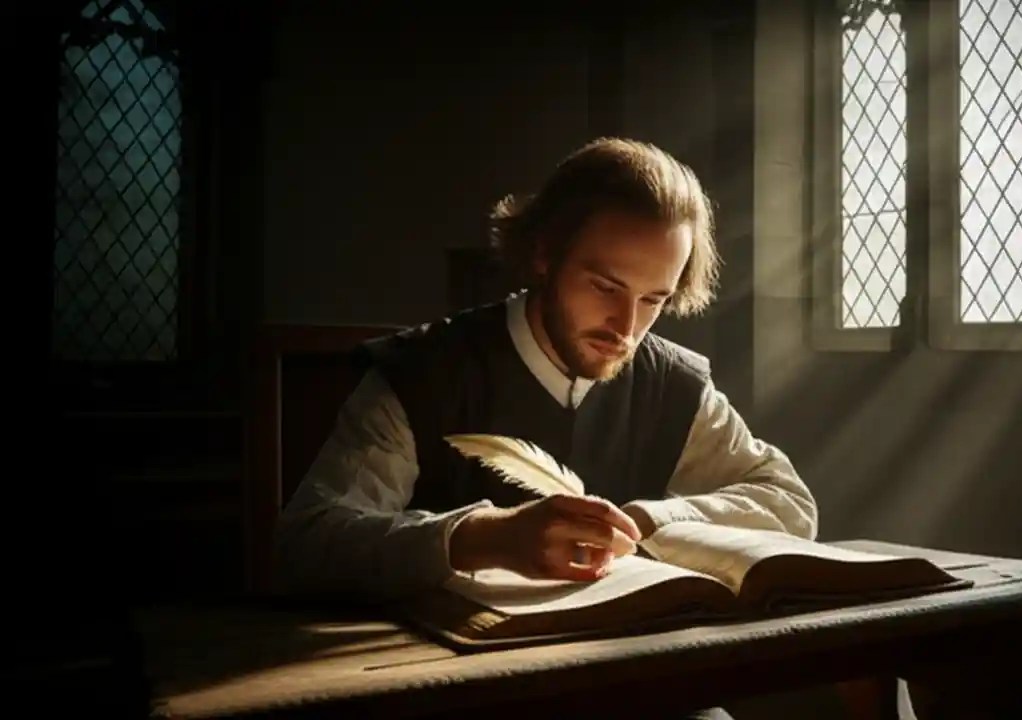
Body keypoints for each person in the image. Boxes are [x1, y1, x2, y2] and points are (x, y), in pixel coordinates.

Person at [271, 137, 819, 718]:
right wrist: (479, 538)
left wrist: (648, 519)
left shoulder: (674, 384)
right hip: (454, 693)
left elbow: (789, 503)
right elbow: (307, 543)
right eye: (605, 287)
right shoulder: (425, 374)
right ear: (543, 253)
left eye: (654, 299)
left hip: (631, 683)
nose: (626, 327)